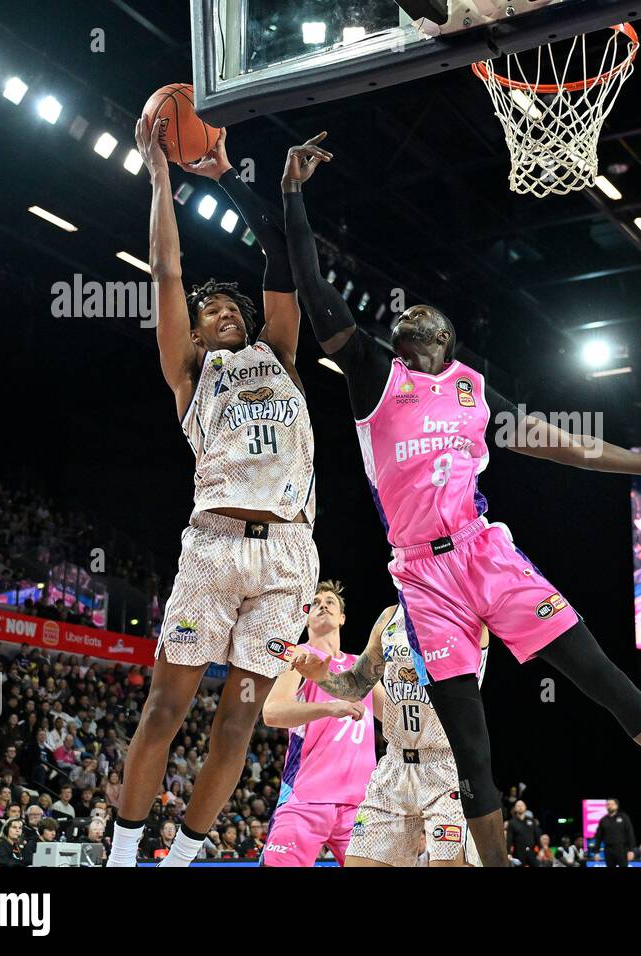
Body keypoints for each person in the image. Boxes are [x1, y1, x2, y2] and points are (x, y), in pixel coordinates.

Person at [282, 138, 641, 865]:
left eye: (426, 314)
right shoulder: (371, 373)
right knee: (475, 757)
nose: (411, 317)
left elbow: (566, 444)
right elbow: (314, 290)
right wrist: (293, 196)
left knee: (604, 680)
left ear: (449, 340)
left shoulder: (472, 388)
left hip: (485, 551)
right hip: (423, 582)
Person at [108, 118, 319, 870]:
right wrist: (161, 179)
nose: (226, 312)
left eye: (234, 308)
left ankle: (180, 862)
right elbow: (166, 269)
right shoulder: (191, 376)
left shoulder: (283, 354)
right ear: (194, 335)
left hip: (290, 552)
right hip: (215, 545)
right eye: (211, 313)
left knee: (238, 725)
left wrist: (233, 176)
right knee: (166, 709)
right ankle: (123, 857)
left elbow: (285, 253)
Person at [290, 600, 488, 868]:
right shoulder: (389, 618)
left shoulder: (467, 612)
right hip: (395, 766)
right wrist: (321, 676)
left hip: (446, 766)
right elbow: (356, 686)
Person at [259, 581, 374, 867]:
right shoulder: (298, 657)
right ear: (307, 616)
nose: (323, 604)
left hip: (361, 806)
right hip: (306, 796)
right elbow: (272, 712)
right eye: (316, 603)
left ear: (342, 618)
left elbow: (398, 719)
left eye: (330, 602)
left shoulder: (361, 667)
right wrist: (329, 707)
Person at [595, 798, 636, 867]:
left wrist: (631, 850)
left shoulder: (624, 817)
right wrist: (596, 852)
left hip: (622, 849)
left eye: (612, 804)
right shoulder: (603, 820)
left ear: (617, 806)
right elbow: (598, 837)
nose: (610, 806)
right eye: (608, 804)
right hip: (608, 850)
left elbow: (630, 834)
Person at [505, 799, 541, 867]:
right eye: (518, 806)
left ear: (525, 807)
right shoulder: (512, 823)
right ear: (515, 809)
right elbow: (509, 839)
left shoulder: (531, 820)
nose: (520, 807)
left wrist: (541, 849)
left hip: (531, 851)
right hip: (518, 852)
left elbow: (537, 835)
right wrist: (508, 853)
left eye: (522, 805)